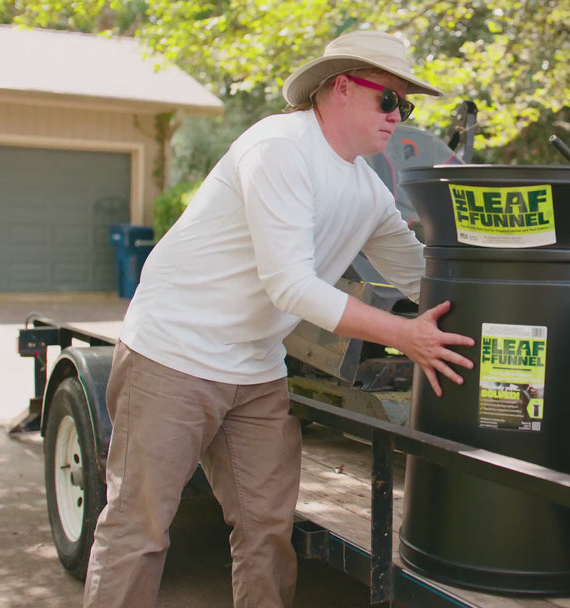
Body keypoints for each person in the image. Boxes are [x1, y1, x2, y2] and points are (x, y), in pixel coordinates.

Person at [82, 30, 475, 608]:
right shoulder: (279, 148)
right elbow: (290, 285)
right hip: (173, 356)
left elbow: (422, 277)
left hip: (257, 370)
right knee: (139, 531)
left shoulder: (368, 191)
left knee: (267, 532)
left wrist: (510, 307)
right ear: (341, 86)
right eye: (389, 100)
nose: (399, 116)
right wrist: (402, 335)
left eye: (405, 106)